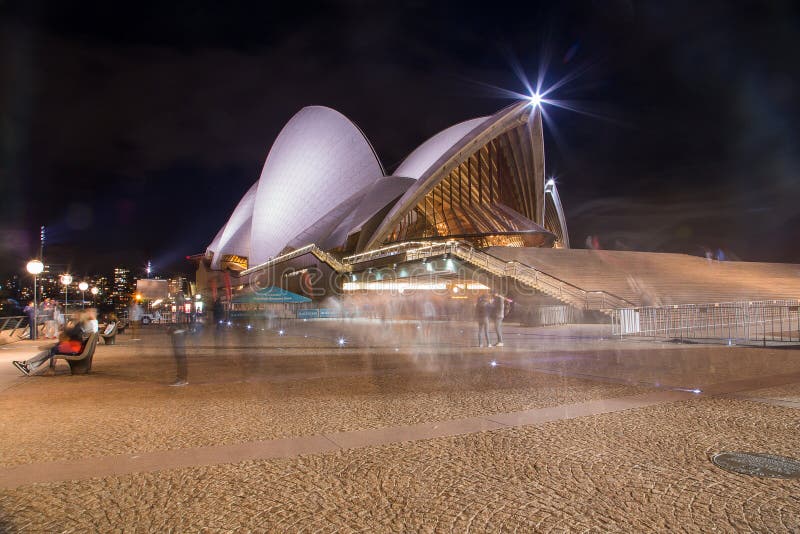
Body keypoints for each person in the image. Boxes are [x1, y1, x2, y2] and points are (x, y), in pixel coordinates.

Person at [12, 311, 93, 376]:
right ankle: (28, 365)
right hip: (75, 347)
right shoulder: (81, 325)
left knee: (52, 350)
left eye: (75, 315)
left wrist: (67, 328)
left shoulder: (78, 326)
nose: (73, 316)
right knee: (52, 349)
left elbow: (68, 334)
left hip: (74, 348)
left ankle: (28, 364)